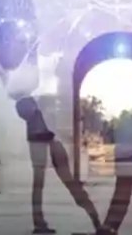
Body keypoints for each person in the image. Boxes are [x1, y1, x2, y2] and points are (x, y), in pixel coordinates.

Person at [15, 96, 103, 234]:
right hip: (45, 142)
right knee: (58, 184)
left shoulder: (36, 106)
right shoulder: (35, 105)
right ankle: (95, 221)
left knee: (47, 185)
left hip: (45, 142)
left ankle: (40, 223)